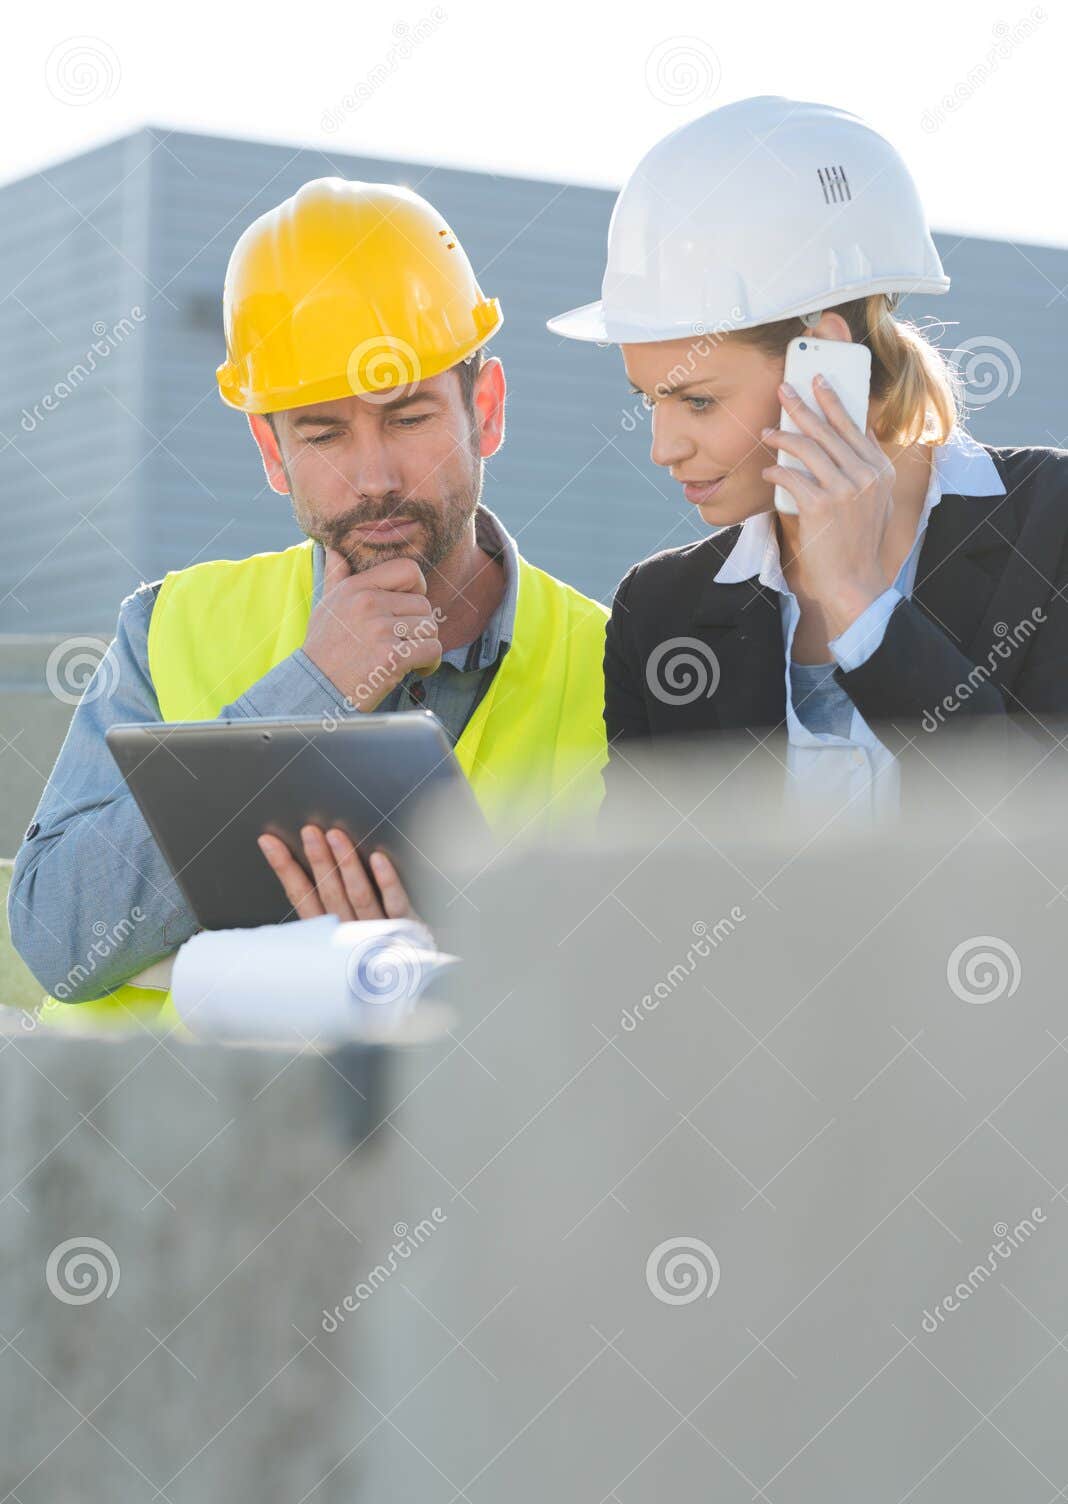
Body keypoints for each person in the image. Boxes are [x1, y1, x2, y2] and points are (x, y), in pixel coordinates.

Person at [9, 179, 609, 1031]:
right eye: (323, 434)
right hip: (173, 1159)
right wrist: (315, 689)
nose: (374, 479)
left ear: (486, 408)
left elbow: (657, 998)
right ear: (271, 450)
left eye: (407, 417)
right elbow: (57, 941)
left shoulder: (618, 664)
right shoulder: (172, 627)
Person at [547, 96, 1068, 818]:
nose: (663, 449)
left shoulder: (1052, 523)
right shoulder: (658, 612)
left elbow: (1039, 848)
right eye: (650, 400)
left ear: (822, 359)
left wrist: (861, 606)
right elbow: (653, 906)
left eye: (696, 400)